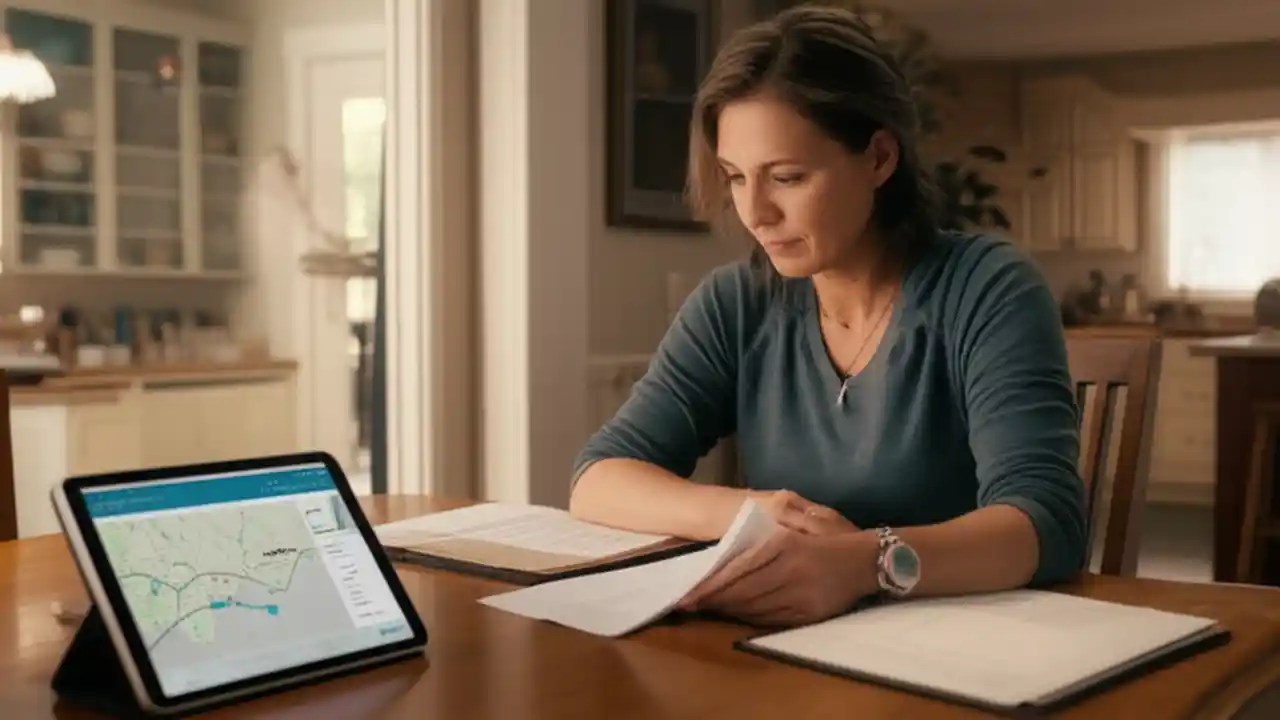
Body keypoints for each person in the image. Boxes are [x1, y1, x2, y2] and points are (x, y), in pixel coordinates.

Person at [570, 5, 1086, 628]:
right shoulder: (736, 301)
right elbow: (599, 480)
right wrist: (759, 513)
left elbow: (1046, 521)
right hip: (787, 648)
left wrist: (859, 563)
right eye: (736, 177)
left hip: (962, 645)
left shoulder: (985, 286)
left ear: (878, 158)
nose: (755, 213)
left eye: (786, 177)